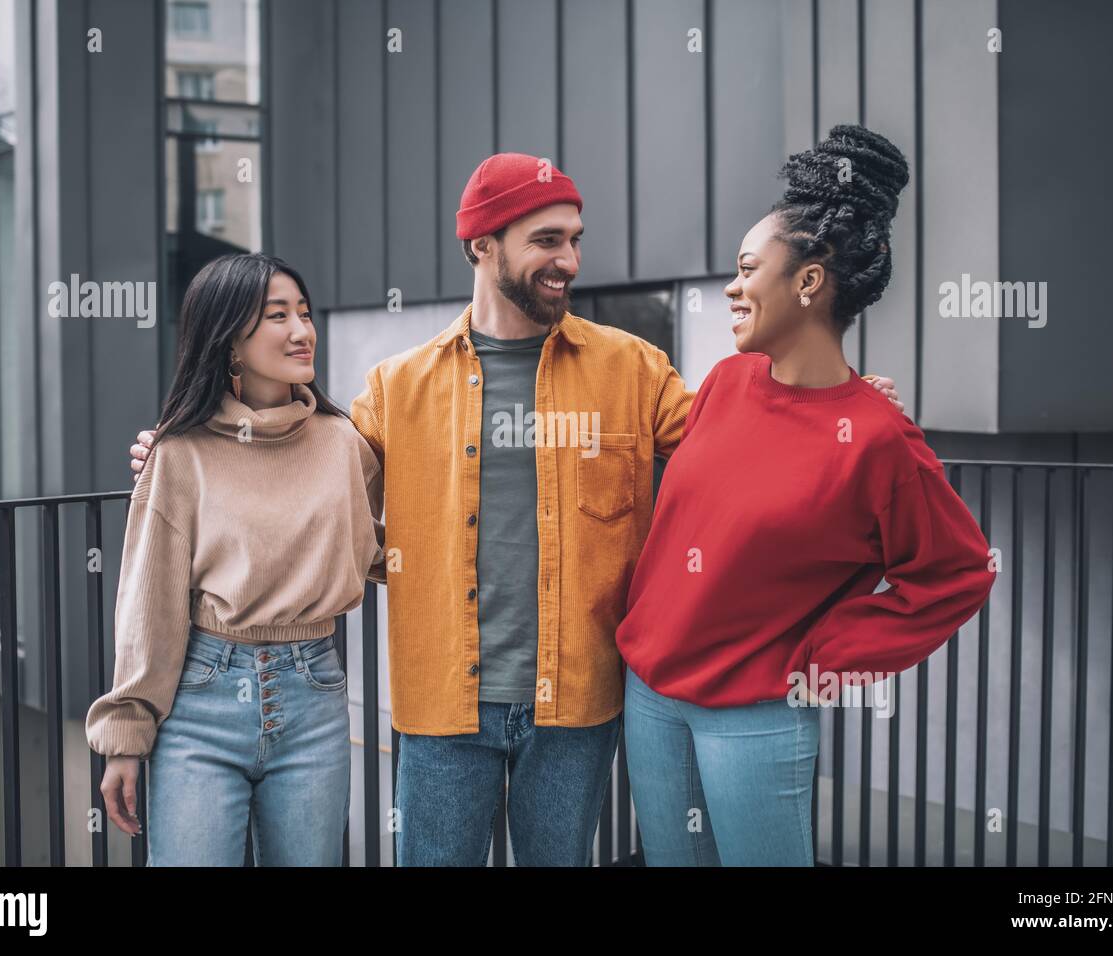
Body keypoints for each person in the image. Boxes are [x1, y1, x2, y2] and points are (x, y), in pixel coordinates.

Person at [129, 153, 903, 866]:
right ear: (482, 247)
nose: (567, 259)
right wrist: (194, 450)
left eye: (574, 239)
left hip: (576, 707)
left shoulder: (632, 368)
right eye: (545, 239)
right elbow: (304, 472)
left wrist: (840, 405)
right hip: (442, 712)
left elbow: (736, 441)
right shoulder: (397, 388)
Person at [616, 125, 997, 866]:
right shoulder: (725, 385)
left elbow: (958, 572)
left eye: (747, 268)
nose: (730, 286)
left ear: (809, 282)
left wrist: (825, 658)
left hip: (752, 718)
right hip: (651, 699)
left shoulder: (882, 440)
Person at [88, 253, 384, 866]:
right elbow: (149, 602)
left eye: (304, 312)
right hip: (201, 697)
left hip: (314, 693)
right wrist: (125, 737)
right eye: (278, 315)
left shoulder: (344, 444)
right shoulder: (177, 453)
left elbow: (383, 547)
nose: (302, 330)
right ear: (228, 340)